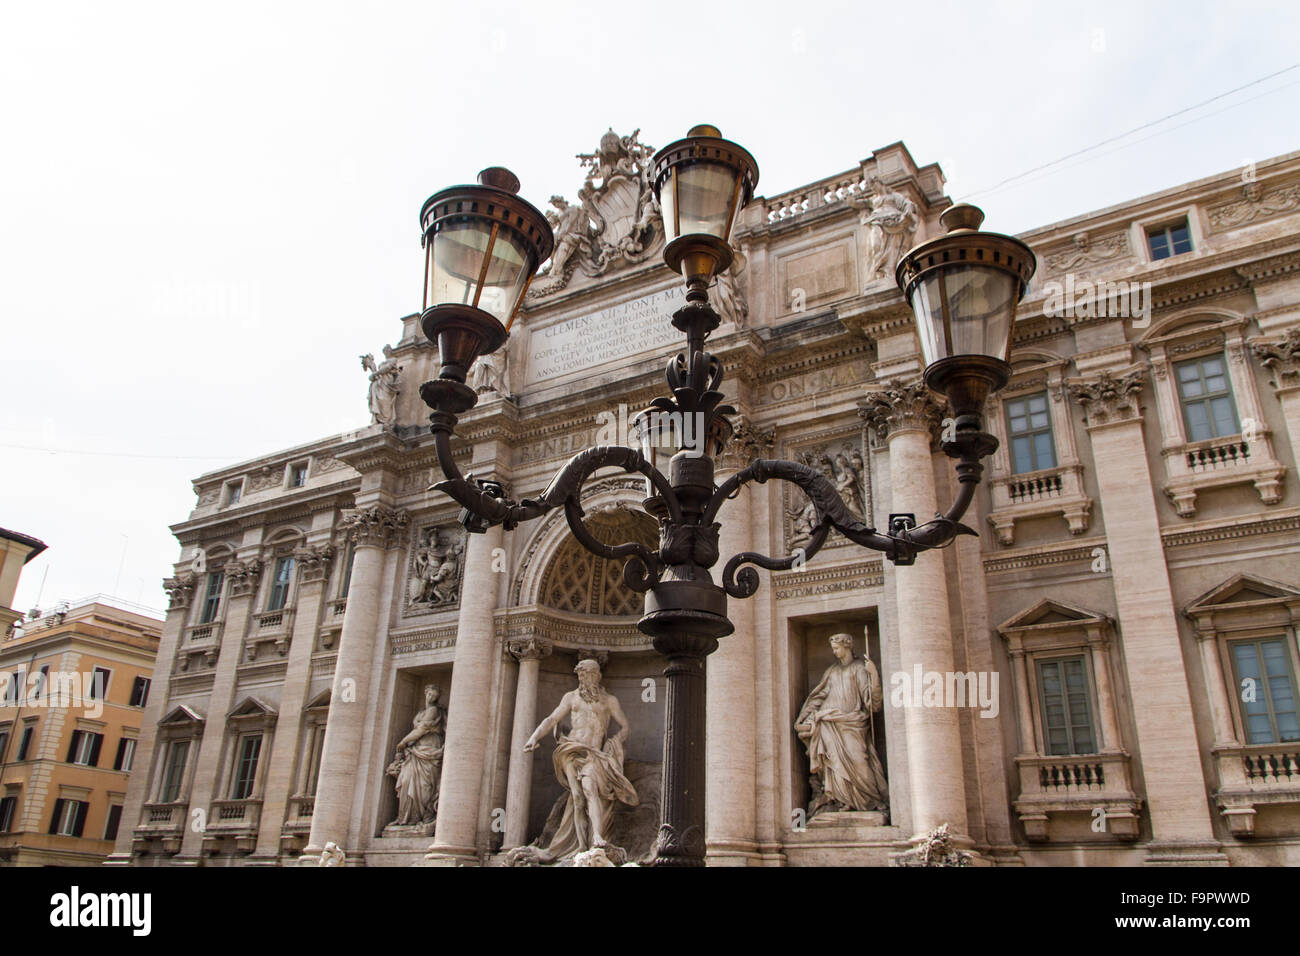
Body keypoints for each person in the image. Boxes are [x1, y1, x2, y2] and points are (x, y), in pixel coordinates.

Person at [517, 659, 637, 862]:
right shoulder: (571, 698)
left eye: (587, 674)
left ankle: (597, 837)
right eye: (580, 674)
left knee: (590, 789)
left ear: (597, 675)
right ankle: (582, 846)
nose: (583, 678)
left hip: (593, 753)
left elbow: (625, 726)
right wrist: (534, 737)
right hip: (571, 750)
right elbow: (552, 719)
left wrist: (614, 743)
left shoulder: (609, 700)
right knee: (578, 798)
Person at [796, 632, 888, 817]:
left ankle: (870, 800)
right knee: (833, 763)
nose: (835, 652)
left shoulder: (860, 669)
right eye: (832, 649)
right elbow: (819, 696)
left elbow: (871, 703)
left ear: (847, 647)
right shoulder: (832, 671)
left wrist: (874, 675)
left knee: (859, 761)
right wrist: (804, 717)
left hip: (853, 723)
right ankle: (841, 800)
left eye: (837, 648)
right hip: (829, 723)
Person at [388, 684, 444, 825]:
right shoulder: (420, 712)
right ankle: (404, 818)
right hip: (416, 750)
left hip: (430, 748)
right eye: (430, 694)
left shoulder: (434, 710)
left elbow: (422, 729)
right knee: (406, 781)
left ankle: (423, 815)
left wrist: (403, 741)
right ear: (425, 693)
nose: (432, 697)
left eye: (435, 696)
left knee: (425, 786)